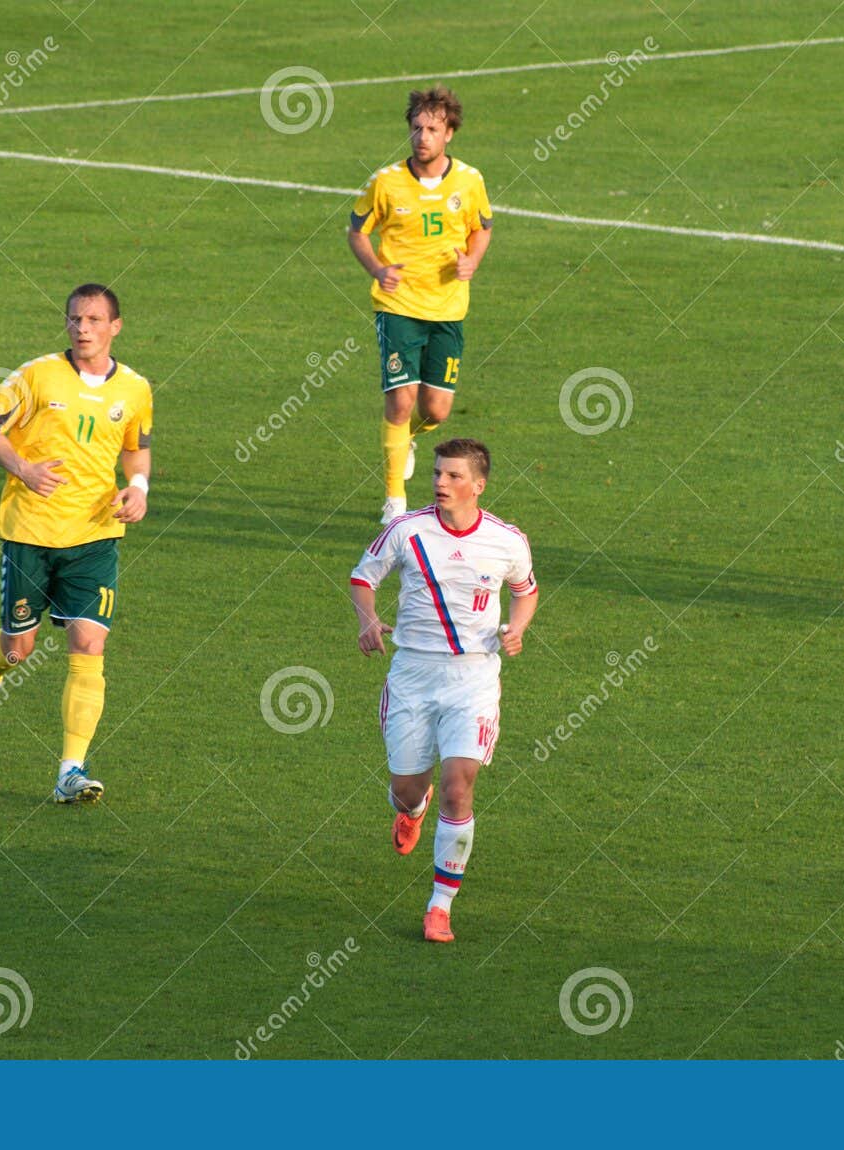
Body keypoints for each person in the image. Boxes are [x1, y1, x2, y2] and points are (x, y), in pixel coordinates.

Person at [0, 283, 153, 804]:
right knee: (17, 650)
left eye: (93, 320)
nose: (82, 328)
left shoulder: (135, 389)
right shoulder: (36, 376)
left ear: (115, 326)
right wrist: (22, 468)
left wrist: (138, 487)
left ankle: (71, 770)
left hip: (95, 536)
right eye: (74, 319)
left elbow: (136, 448)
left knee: (89, 646)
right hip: (30, 532)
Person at [349, 438, 536, 942]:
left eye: (453, 476)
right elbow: (363, 578)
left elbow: (525, 590)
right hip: (412, 675)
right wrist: (368, 620)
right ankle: (413, 808)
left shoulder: (506, 540)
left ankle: (440, 905)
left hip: (473, 679)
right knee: (407, 790)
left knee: (459, 786)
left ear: (479, 485)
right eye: (436, 473)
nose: (440, 483)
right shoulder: (406, 531)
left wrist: (518, 628)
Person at [348, 86, 493, 524]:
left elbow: (482, 228)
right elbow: (357, 232)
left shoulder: (469, 180)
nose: (422, 137)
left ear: (449, 133)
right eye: (416, 128)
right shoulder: (385, 182)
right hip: (398, 306)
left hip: (448, 308)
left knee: (436, 410)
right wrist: (377, 270)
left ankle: (404, 438)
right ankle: (394, 500)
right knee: (399, 401)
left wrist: (472, 260)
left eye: (432, 129)